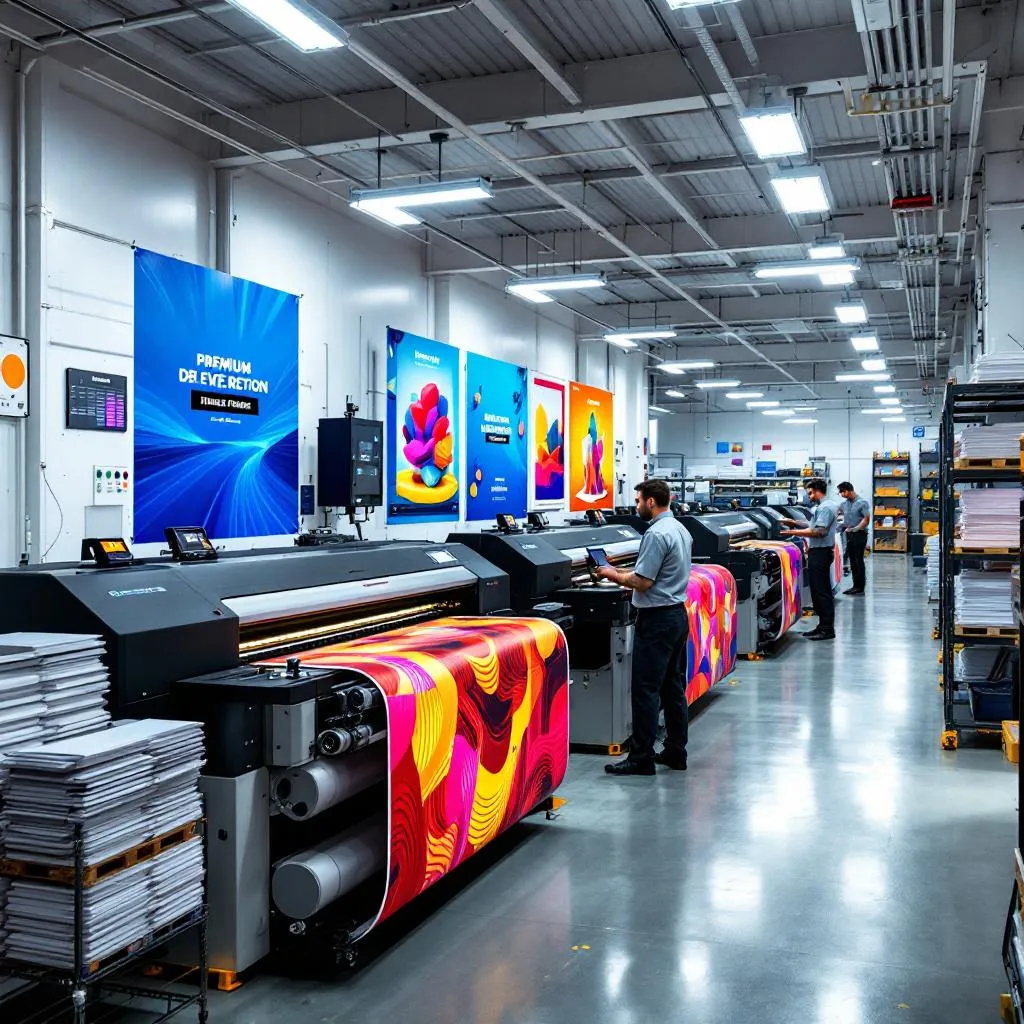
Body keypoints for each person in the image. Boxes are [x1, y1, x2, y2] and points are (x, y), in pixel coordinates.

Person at [596, 479, 693, 777]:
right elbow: (654, 574)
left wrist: (610, 574)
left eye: (639, 500)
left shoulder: (655, 533)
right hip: (677, 615)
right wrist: (624, 572)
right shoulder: (680, 529)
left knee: (646, 690)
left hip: (657, 620)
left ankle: (641, 758)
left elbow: (644, 582)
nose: (637, 505)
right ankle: (676, 751)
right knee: (673, 687)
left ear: (651, 502)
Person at [779, 478, 839, 642]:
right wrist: (794, 523)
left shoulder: (825, 508)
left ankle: (827, 629)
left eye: (810, 492)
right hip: (819, 553)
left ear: (818, 490)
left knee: (822, 592)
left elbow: (819, 531)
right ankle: (822, 626)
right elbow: (812, 524)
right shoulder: (823, 507)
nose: (809, 496)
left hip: (820, 553)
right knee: (818, 591)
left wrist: (793, 534)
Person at [837, 481, 870, 595]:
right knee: (852, 561)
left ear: (849, 490)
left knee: (858, 560)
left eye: (842, 492)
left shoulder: (862, 503)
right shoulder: (844, 505)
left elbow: (866, 520)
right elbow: (839, 516)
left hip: (860, 534)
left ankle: (860, 587)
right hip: (849, 534)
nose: (841, 494)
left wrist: (856, 528)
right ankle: (855, 585)